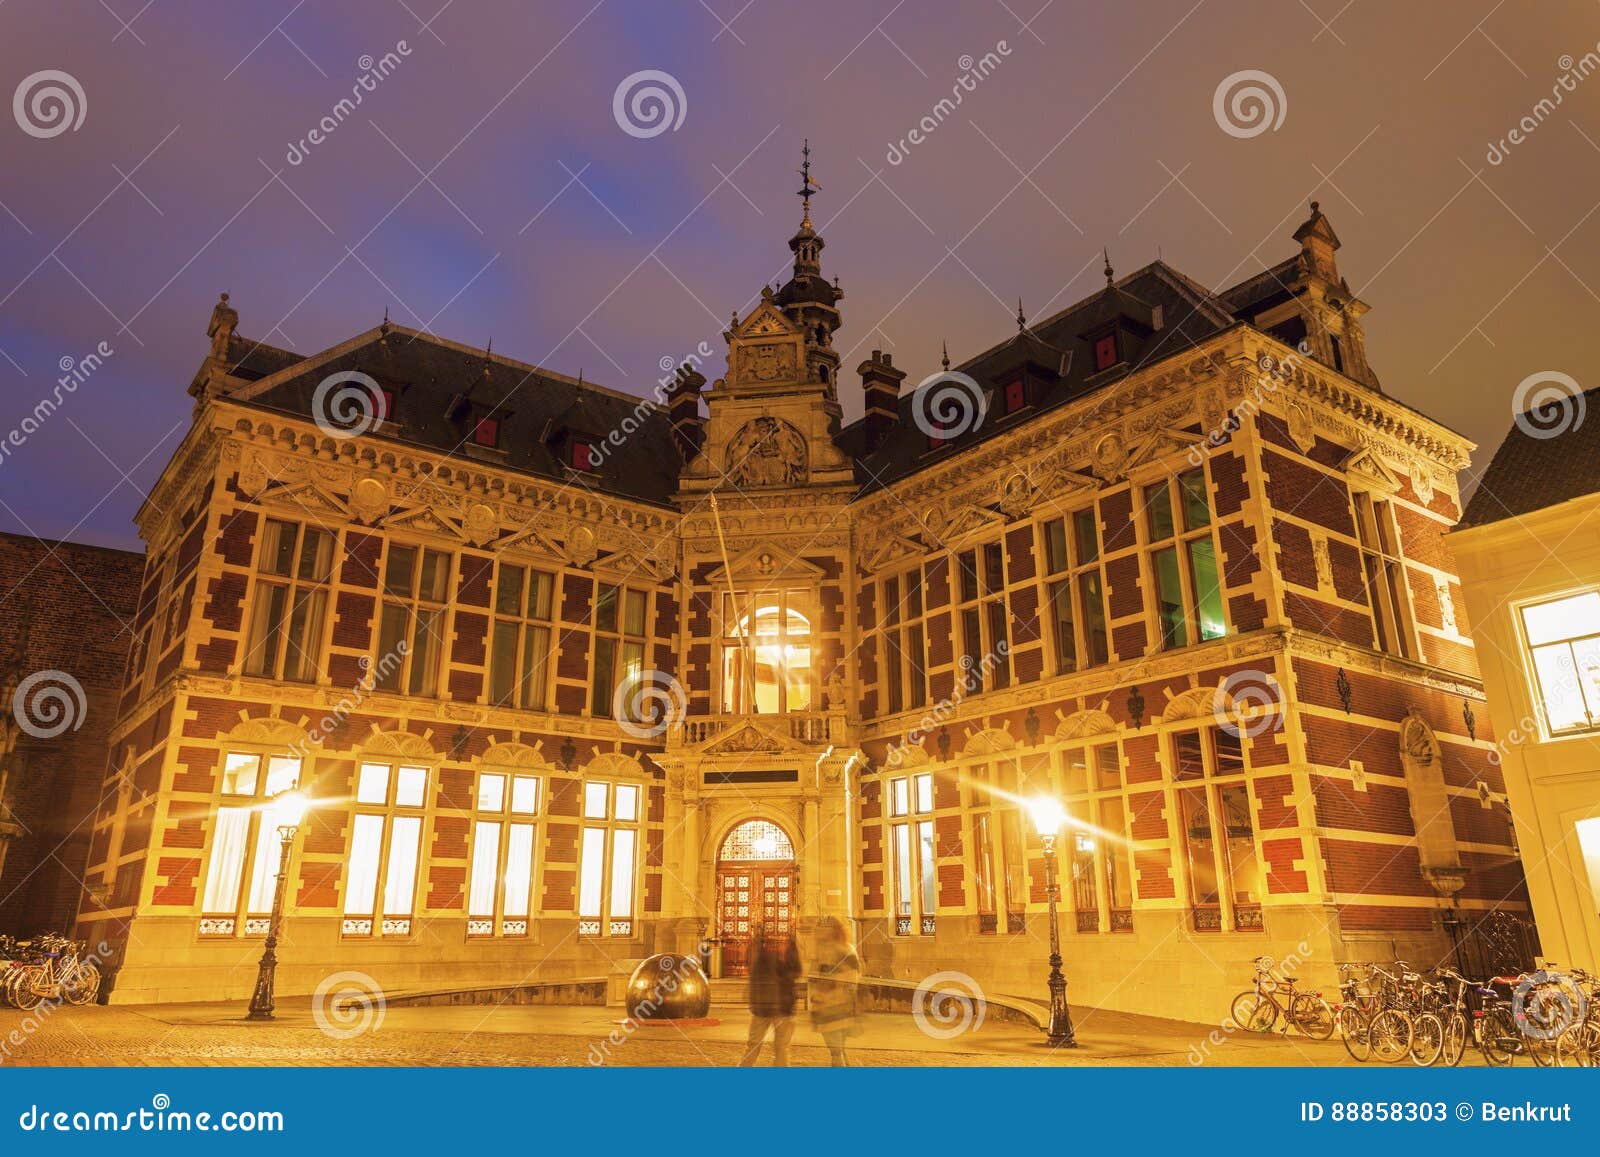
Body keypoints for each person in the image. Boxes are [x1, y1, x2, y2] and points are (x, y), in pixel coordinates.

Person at [738, 924, 801, 1066]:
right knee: (780, 1047)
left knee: (757, 1045)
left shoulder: (760, 955)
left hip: (766, 1007)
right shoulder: (773, 957)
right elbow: (795, 972)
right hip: (779, 1007)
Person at [809, 916, 861, 1066]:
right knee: (838, 1049)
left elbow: (850, 978)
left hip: (834, 1008)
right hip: (836, 1007)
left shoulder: (839, 950)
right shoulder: (837, 949)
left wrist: (822, 993)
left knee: (836, 1051)